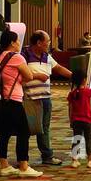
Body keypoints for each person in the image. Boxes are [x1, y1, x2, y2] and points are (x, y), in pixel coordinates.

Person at [0, 30, 42, 179]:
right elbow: (29, 76)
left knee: (4, 134)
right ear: (12, 43)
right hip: (14, 100)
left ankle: (4, 166)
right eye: (17, 41)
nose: (19, 43)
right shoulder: (17, 58)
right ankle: (24, 166)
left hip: (2, 101)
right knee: (24, 132)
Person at [23, 29, 73, 166]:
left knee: (44, 128)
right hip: (29, 99)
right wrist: (37, 76)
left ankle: (47, 156)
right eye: (47, 41)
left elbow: (59, 68)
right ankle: (23, 158)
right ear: (39, 43)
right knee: (26, 128)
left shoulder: (47, 56)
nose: (49, 44)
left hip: (45, 98)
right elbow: (19, 75)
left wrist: (75, 77)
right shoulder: (24, 55)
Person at [67, 68, 91, 168]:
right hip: (87, 120)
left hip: (76, 120)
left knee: (77, 139)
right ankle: (90, 160)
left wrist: (71, 120)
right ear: (84, 80)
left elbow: (70, 109)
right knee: (88, 139)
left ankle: (75, 160)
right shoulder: (88, 91)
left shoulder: (72, 94)